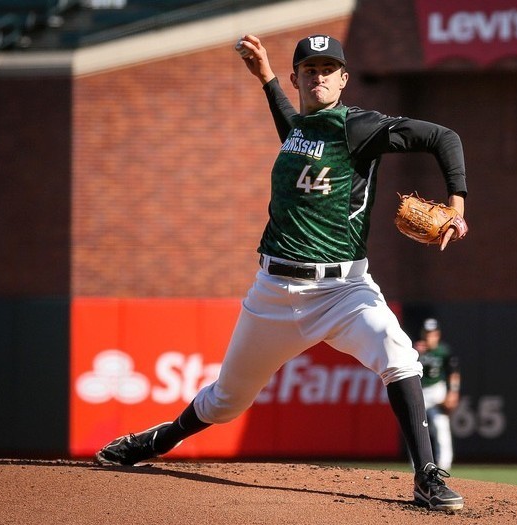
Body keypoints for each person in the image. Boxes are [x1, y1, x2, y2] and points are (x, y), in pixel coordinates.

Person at [95, 33, 468, 512]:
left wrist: (456, 207)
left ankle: (427, 478)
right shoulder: (301, 131)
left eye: (328, 69)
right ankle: (158, 440)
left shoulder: (359, 126)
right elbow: (292, 130)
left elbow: (443, 137)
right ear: (297, 78)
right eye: (309, 69)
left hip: (343, 290)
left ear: (343, 79)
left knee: (399, 355)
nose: (319, 76)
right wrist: (266, 78)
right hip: (273, 291)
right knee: (225, 402)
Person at [414, 318, 460, 471]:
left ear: (437, 335)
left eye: (432, 334)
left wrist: (453, 392)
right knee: (415, 428)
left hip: (437, 391)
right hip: (419, 392)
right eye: (427, 333)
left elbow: (453, 373)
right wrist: (414, 352)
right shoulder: (415, 350)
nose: (429, 337)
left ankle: (444, 466)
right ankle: (417, 467)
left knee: (441, 427)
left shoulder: (443, 351)